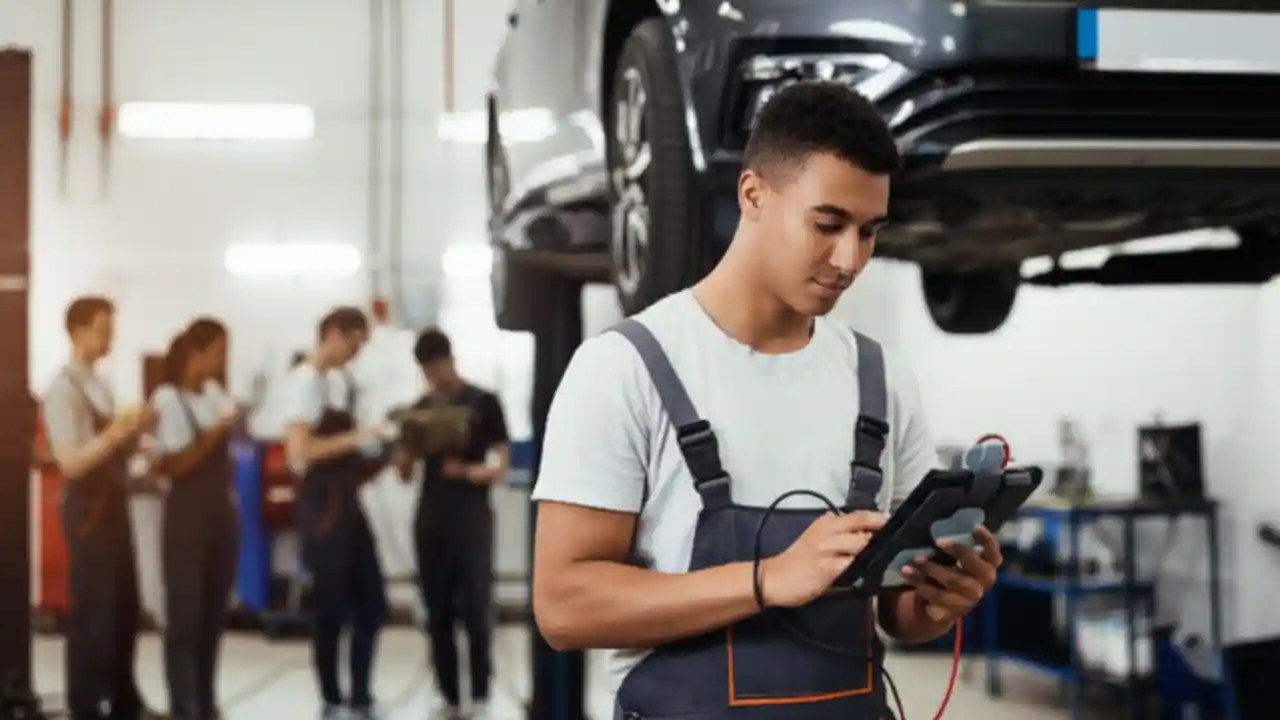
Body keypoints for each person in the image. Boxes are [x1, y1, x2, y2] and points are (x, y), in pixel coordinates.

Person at [529, 82, 1004, 719]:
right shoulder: (626, 369)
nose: (849, 258)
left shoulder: (881, 380)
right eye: (828, 224)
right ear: (754, 195)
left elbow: (897, 612)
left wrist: (939, 600)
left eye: (869, 232)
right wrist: (766, 579)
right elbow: (563, 606)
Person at [42, 296, 164, 720]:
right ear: (77, 331)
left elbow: (114, 448)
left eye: (111, 328)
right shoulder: (63, 389)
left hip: (113, 506)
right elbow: (71, 461)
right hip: (87, 509)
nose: (109, 336)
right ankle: (85, 703)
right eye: (102, 328)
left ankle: (123, 698)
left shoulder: (101, 383)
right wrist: (116, 432)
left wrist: (136, 432)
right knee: (92, 610)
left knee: (124, 606)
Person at [393, 328, 510, 720]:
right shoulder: (421, 406)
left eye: (437, 367)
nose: (433, 376)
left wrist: (467, 471)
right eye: (426, 371)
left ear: (449, 360)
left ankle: (479, 693)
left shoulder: (484, 403)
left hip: (471, 519)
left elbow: (500, 464)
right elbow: (404, 474)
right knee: (437, 611)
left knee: (476, 610)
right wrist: (407, 445)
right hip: (431, 521)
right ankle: (448, 694)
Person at [283, 306, 390, 720]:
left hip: (347, 500)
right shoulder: (303, 384)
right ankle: (331, 697)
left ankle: (361, 695)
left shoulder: (339, 382)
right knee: (331, 606)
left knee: (373, 602)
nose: (355, 354)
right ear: (332, 333)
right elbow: (299, 453)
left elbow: (344, 448)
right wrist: (357, 437)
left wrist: (377, 450)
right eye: (353, 344)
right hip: (321, 506)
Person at [150, 324, 238, 720]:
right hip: (187, 517)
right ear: (195, 354)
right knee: (185, 617)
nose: (221, 362)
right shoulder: (168, 399)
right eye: (217, 352)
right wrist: (213, 432)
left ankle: (206, 700)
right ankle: (183, 704)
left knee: (212, 616)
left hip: (221, 515)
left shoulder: (215, 395)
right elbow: (175, 465)